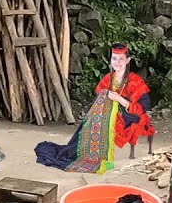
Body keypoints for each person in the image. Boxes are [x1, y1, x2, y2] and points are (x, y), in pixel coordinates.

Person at [35, 43, 155, 173]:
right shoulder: (108, 79)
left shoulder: (135, 81)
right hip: (109, 112)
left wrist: (121, 100)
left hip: (129, 114)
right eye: (114, 58)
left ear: (128, 60)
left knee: (103, 122)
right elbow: (100, 100)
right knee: (91, 121)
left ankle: (104, 158)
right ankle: (85, 154)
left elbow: (143, 108)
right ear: (111, 60)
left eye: (121, 59)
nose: (118, 62)